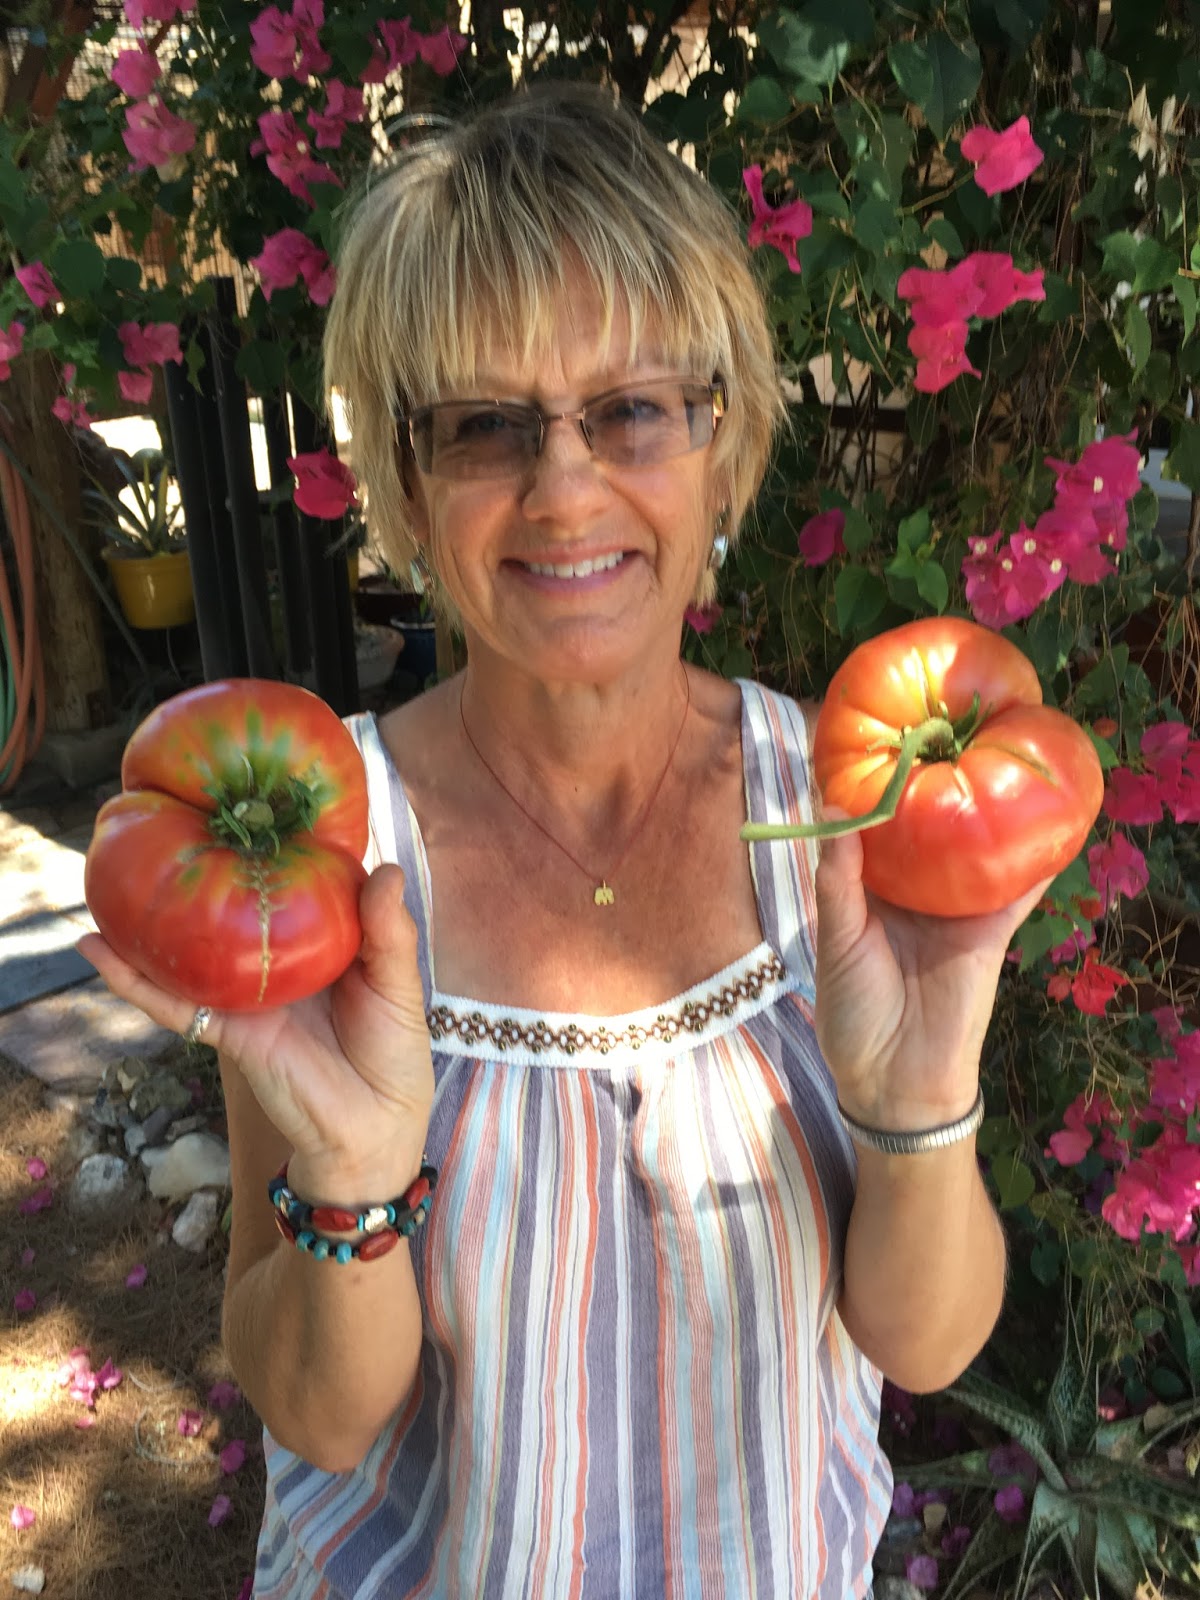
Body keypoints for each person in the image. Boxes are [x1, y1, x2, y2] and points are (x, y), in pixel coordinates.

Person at [81, 84, 1050, 1599]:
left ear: (720, 441)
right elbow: (324, 1420)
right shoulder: (323, 848)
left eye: (632, 408)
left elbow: (923, 1343)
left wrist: (923, 1105)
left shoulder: (852, 813)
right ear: (407, 481)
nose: (565, 486)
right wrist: (351, 1184)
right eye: (485, 425)